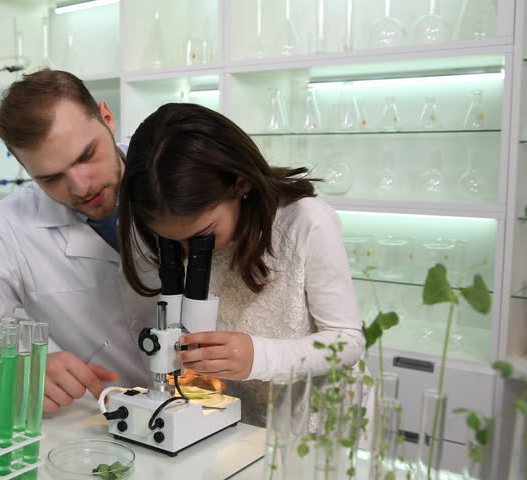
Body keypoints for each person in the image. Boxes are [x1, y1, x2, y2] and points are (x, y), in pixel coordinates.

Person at [117, 102, 365, 427]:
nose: (187, 251)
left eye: (201, 238)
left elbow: (348, 342)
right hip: (242, 423)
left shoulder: (307, 221)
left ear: (240, 183)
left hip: (311, 422)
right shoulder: (178, 230)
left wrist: (257, 357)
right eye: (172, 241)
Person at [0, 70, 157, 413]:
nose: (81, 186)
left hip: (223, 414)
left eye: (86, 156)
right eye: (51, 178)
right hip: (101, 425)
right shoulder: (7, 226)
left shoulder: (177, 175)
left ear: (108, 119)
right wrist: (19, 362)